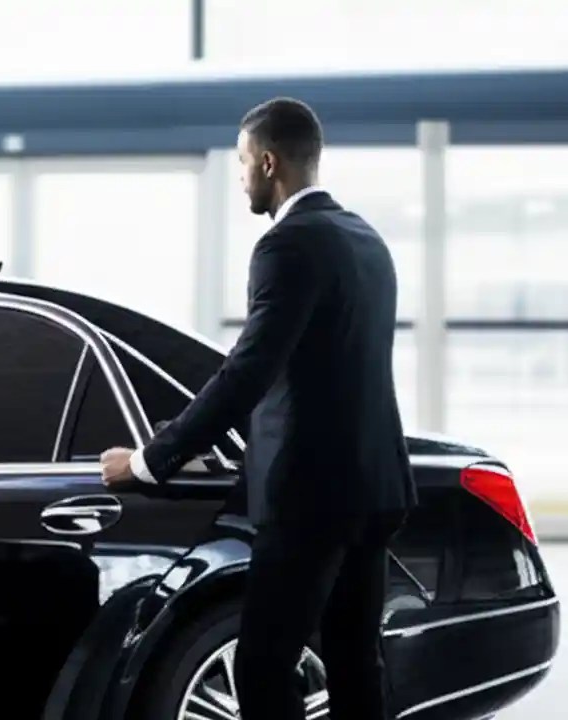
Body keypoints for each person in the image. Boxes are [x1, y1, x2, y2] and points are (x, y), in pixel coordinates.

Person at [99, 97, 416, 720]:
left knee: (263, 665)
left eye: (244, 162)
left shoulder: (287, 245)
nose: (241, 176)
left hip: (309, 497)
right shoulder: (365, 239)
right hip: (374, 488)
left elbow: (248, 370)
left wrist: (149, 461)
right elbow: (325, 371)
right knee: (356, 662)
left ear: (269, 163)